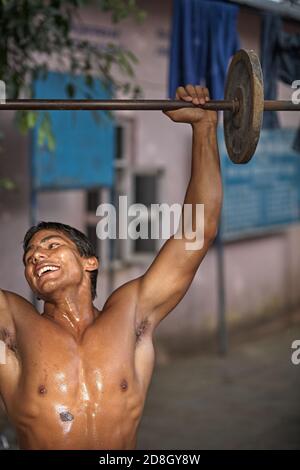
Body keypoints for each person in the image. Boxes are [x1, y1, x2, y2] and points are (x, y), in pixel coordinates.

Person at [0, 85, 222, 450]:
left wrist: (204, 127)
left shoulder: (130, 313)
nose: (37, 257)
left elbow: (200, 232)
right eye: (29, 258)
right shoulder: (14, 321)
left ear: (90, 262)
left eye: (52, 246)